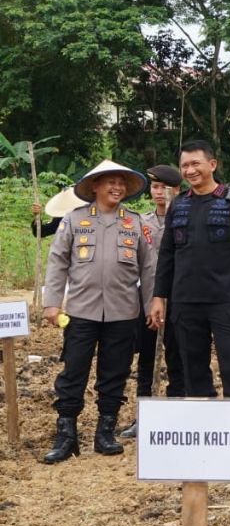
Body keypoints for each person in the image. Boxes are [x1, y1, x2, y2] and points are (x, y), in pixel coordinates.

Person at [40, 161, 156, 463]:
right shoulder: (74, 220)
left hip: (123, 312)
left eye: (121, 183)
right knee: (73, 371)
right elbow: (58, 261)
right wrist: (52, 302)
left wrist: (151, 306)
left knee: (115, 372)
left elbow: (148, 268)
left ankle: (105, 433)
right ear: (95, 186)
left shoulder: (135, 222)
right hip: (82, 310)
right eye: (110, 182)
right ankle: (66, 435)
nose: (117, 188)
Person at [150, 140, 230, 401]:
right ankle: (202, 419)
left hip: (226, 300)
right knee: (192, 371)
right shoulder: (178, 204)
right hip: (185, 302)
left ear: (212, 165)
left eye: (195, 164)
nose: (190, 170)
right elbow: (167, 254)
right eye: (184, 166)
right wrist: (159, 296)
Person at [120, 165, 185, 439]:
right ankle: (144, 416)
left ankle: (176, 414)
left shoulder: (184, 217)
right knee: (146, 359)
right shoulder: (141, 222)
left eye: (165, 188)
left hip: (180, 299)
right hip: (147, 299)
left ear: (177, 190)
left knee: (177, 358)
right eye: (155, 187)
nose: (160, 193)